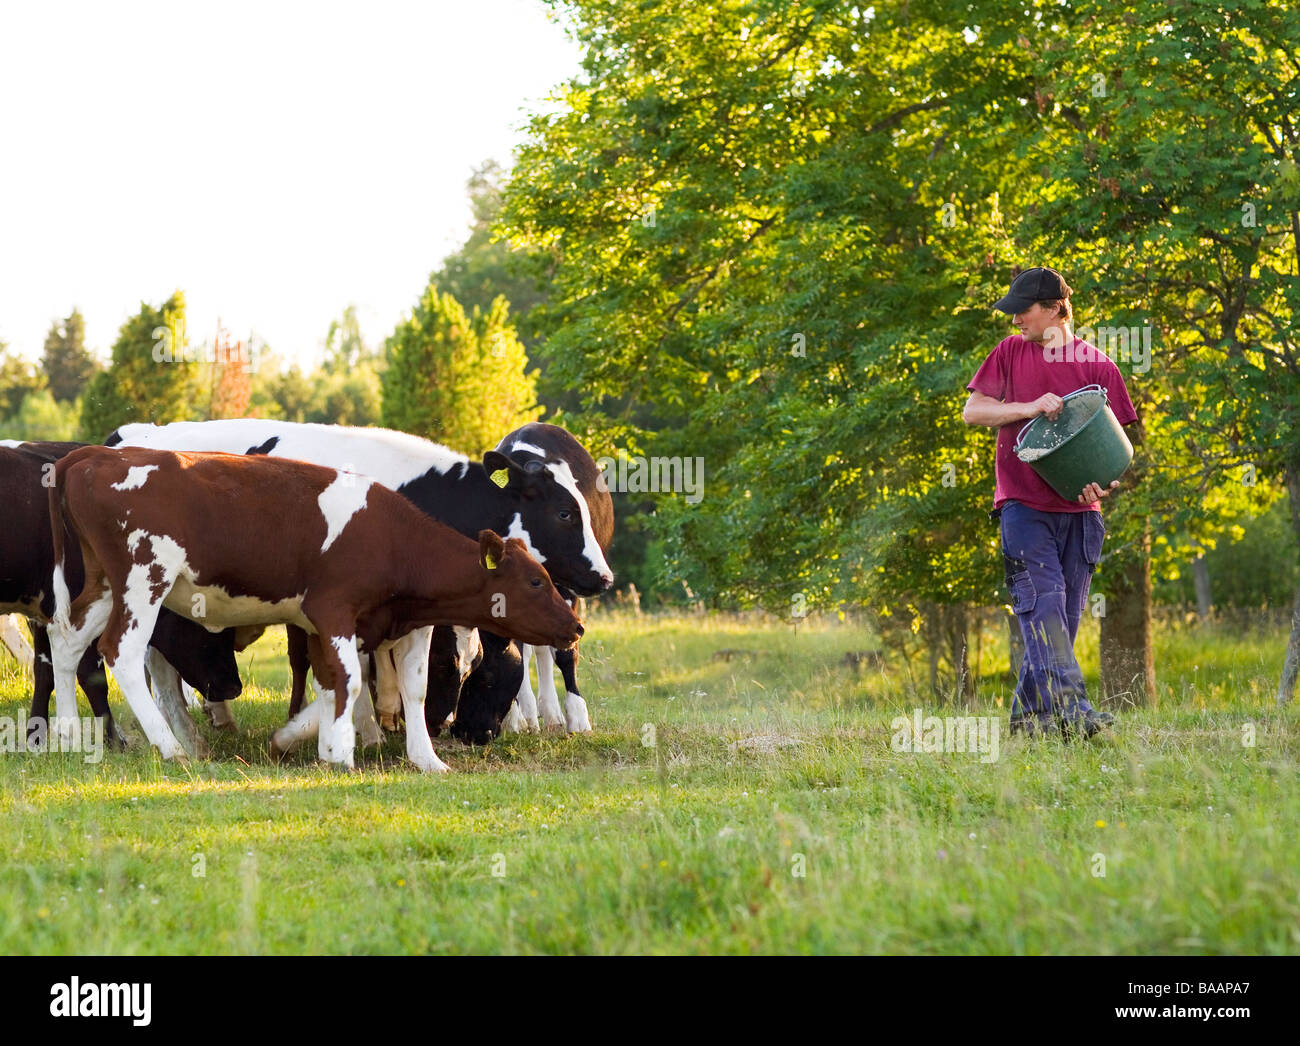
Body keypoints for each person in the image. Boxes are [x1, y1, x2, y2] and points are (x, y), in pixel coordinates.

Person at [962, 267, 1139, 738]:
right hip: (1022, 505)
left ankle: (1027, 722)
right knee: (1044, 604)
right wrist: (1028, 407)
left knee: (1062, 620)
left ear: (1056, 309)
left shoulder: (1099, 367)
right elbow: (973, 411)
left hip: (1081, 515)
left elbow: (1117, 454)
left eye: (1024, 310)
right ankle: (1074, 711)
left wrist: (1104, 485)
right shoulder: (1008, 353)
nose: (1016, 319)